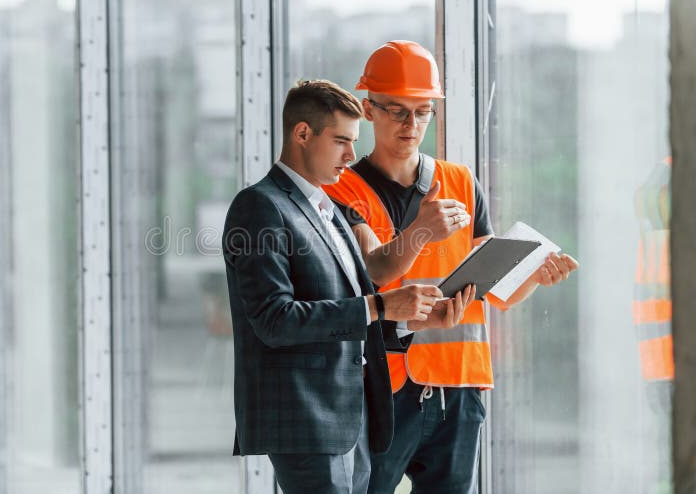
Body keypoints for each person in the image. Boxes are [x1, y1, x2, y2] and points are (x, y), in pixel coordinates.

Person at [323, 41, 580, 494]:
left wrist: (534, 277)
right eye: (398, 110)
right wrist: (421, 229)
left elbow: (496, 290)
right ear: (368, 109)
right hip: (384, 388)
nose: (412, 124)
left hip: (459, 387)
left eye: (423, 111)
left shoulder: (460, 182)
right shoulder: (346, 190)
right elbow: (373, 272)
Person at [223, 79, 476, 494]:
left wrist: (412, 321)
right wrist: (379, 306)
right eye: (341, 141)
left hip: (350, 422)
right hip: (307, 419)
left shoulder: (330, 209)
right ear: (302, 134)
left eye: (353, 141)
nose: (351, 155)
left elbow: (348, 313)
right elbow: (274, 319)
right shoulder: (260, 206)